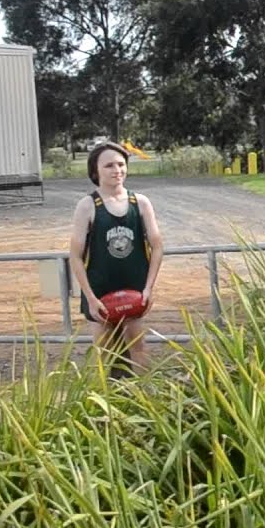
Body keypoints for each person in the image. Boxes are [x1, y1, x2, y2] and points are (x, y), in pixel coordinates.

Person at [68, 141, 164, 377]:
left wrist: (148, 288)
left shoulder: (140, 203)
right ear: (95, 171)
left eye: (121, 164)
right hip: (99, 290)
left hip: (134, 287)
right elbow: (75, 257)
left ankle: (144, 393)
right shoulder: (87, 206)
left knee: (138, 348)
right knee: (104, 352)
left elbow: (157, 247)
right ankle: (105, 397)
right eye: (109, 165)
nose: (117, 170)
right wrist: (90, 298)